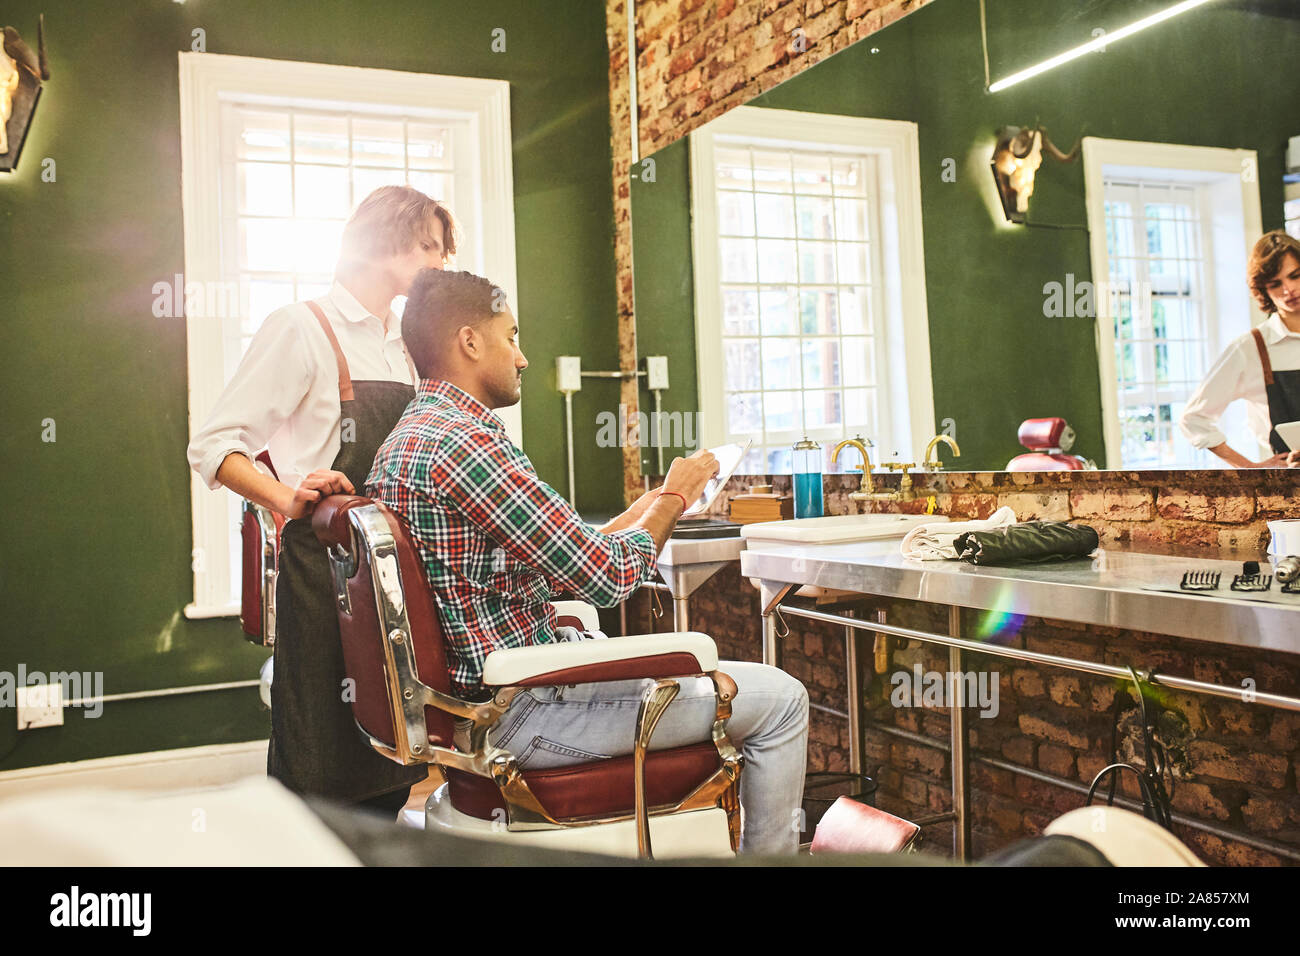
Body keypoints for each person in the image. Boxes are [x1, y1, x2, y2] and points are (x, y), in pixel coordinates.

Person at [368, 268, 811, 853]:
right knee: (782, 699)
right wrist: (677, 496)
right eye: (512, 336)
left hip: (481, 708)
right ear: (471, 342)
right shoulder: (466, 446)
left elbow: (572, 552)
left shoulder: (408, 440)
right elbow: (610, 578)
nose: (523, 358)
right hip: (530, 714)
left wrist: (649, 508)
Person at [187, 186, 456, 814]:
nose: (440, 264)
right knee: (320, 758)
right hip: (323, 573)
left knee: (392, 759)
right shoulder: (302, 328)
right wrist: (287, 497)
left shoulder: (409, 345)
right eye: (428, 247)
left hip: (396, 571)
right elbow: (214, 446)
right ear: (381, 239)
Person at [1179, 231, 1300, 467]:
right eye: (1276, 284)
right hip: (1290, 491)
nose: (1288, 290)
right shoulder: (1251, 348)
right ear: (1263, 289)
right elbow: (1193, 419)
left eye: (1295, 276)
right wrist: (1250, 469)